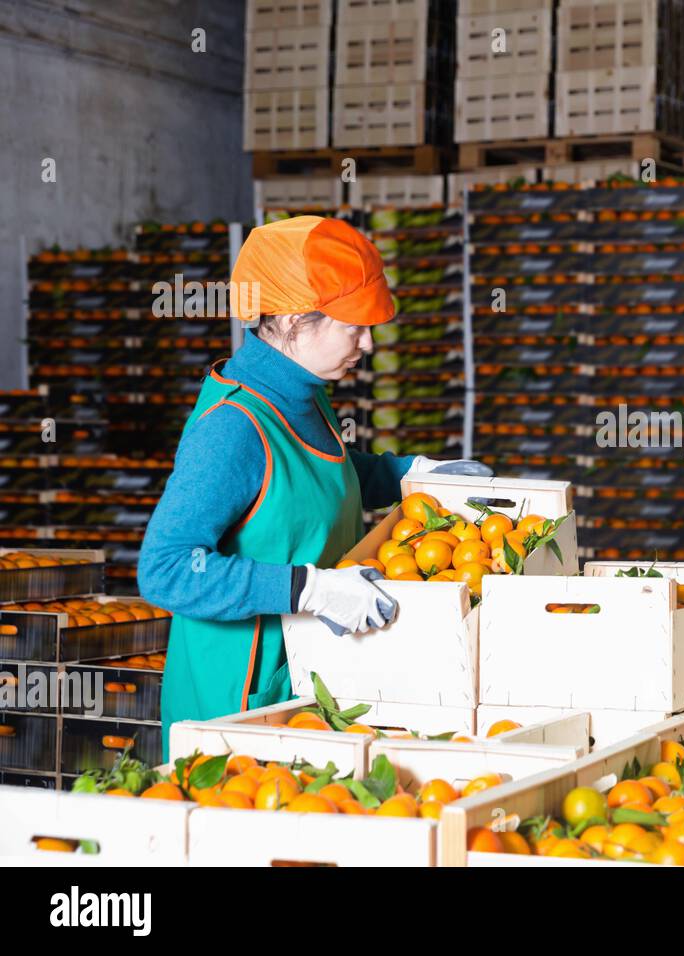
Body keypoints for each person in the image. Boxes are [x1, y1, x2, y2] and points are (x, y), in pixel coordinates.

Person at [140, 216, 489, 757]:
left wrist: (410, 474)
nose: (368, 343)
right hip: (239, 708)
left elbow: (318, 478)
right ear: (297, 321)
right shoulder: (232, 431)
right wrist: (310, 589)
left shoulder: (302, 393)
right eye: (355, 327)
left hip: (312, 682)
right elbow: (165, 570)